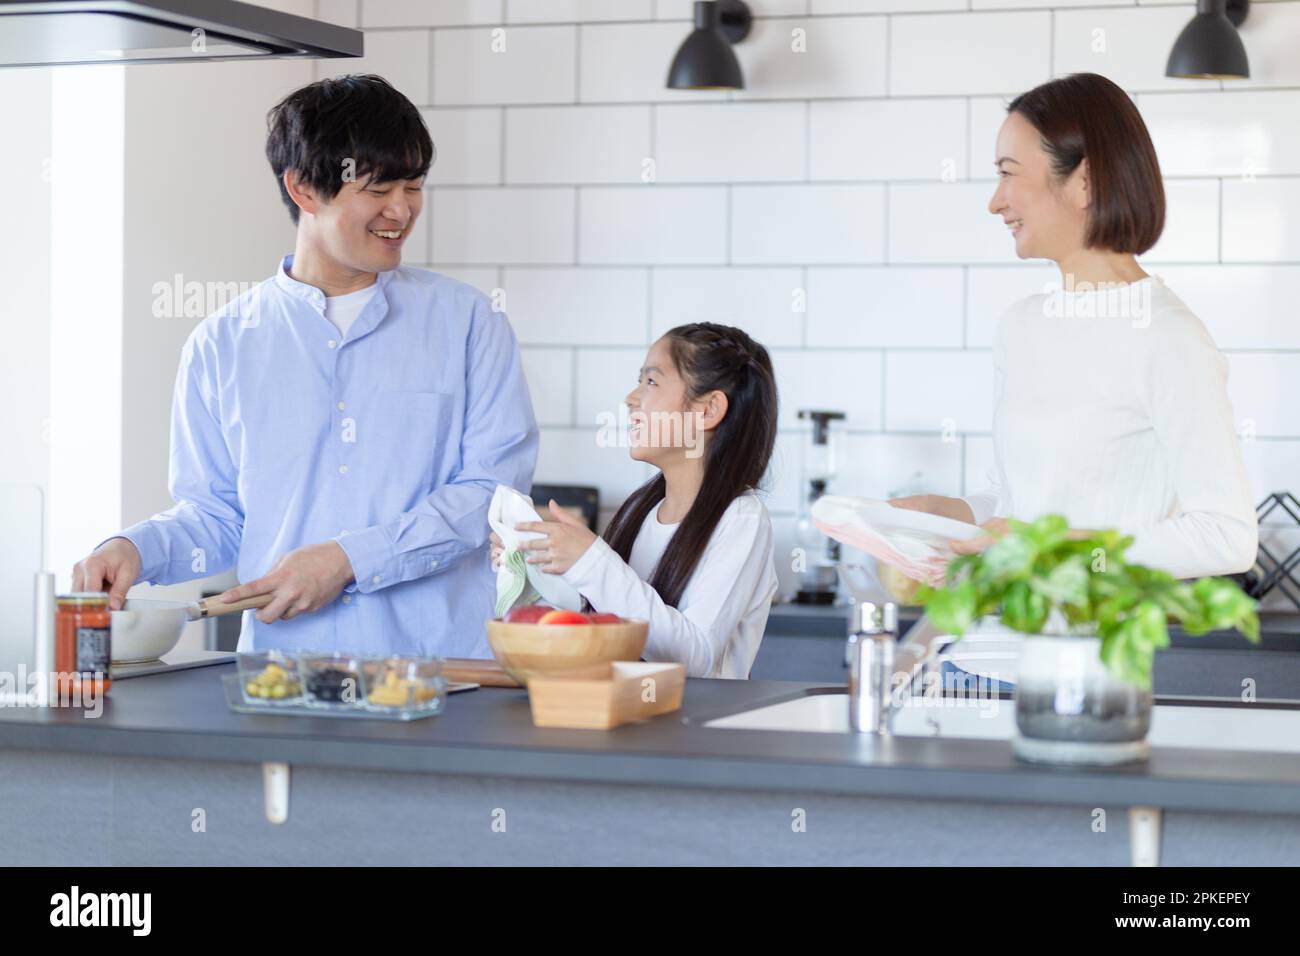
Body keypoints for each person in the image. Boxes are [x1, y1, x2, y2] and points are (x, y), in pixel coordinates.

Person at [72, 74, 537, 657]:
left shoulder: (469, 324)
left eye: (413, 184)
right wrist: (135, 549)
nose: (402, 209)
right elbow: (219, 515)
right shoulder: (221, 344)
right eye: (379, 188)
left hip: (442, 680)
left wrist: (348, 560)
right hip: (281, 680)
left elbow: (490, 495)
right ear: (303, 189)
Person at [891, 73, 1257, 684]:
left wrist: (1043, 545)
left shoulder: (1168, 336)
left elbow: (1225, 536)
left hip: (1078, 680)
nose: (994, 200)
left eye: (1009, 172)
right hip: (968, 661)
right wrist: (947, 514)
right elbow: (1015, 504)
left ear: (1083, 180)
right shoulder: (1022, 325)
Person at [496, 323, 779, 679]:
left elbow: (697, 656)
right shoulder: (639, 509)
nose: (631, 399)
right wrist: (533, 567)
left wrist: (592, 562)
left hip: (692, 733)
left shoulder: (742, 518)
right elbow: (602, 627)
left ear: (707, 411)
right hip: (625, 723)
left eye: (651, 381)